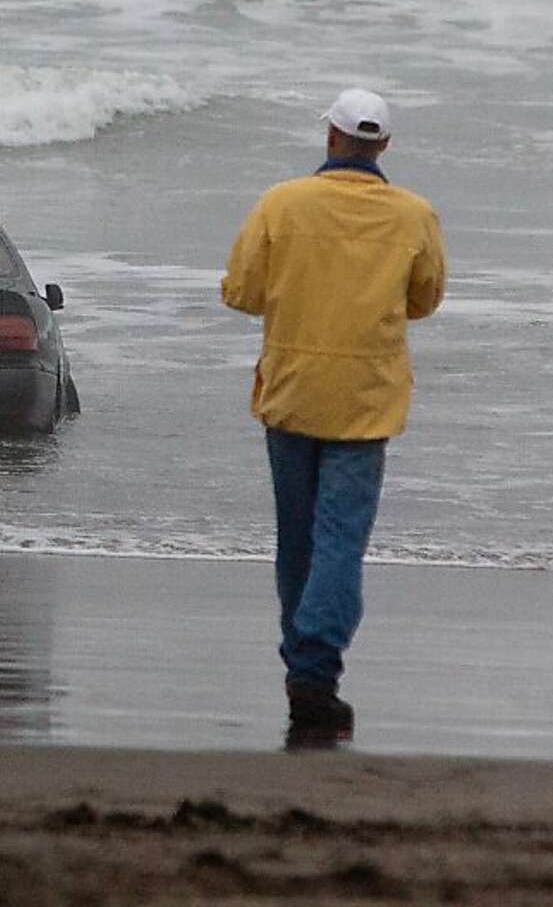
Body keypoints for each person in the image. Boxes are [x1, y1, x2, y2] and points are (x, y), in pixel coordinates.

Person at [221, 87, 446, 741]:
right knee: (340, 540)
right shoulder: (413, 216)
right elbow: (425, 299)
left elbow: (240, 291)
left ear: (329, 138)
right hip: (367, 401)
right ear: (384, 147)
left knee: (297, 541)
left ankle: (307, 668)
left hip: (290, 391)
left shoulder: (281, 203)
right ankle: (314, 672)